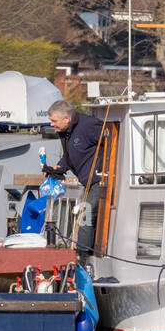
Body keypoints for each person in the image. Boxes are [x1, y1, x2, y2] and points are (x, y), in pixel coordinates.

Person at [43, 100, 104, 257]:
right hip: (87, 182)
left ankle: (81, 257)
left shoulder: (88, 126)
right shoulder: (68, 131)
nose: (51, 124)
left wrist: (104, 168)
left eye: (54, 121)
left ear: (67, 119)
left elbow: (112, 141)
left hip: (100, 180)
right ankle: (85, 252)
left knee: (86, 213)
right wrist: (60, 167)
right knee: (85, 216)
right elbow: (72, 153)